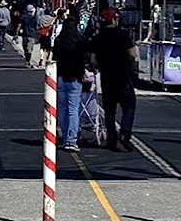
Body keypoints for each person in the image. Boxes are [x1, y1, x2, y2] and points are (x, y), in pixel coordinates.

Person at [89, 11, 138, 151]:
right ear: (115, 20)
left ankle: (112, 136)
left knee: (109, 109)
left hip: (107, 76)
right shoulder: (123, 35)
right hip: (122, 75)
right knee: (129, 105)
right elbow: (133, 54)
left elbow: (93, 60)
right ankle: (125, 134)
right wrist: (131, 68)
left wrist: (99, 66)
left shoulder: (98, 38)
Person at [52, 14, 86, 151]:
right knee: (73, 109)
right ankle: (71, 140)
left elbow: (54, 57)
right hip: (75, 78)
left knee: (63, 108)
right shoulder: (80, 41)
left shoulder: (59, 41)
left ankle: (65, 135)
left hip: (61, 76)